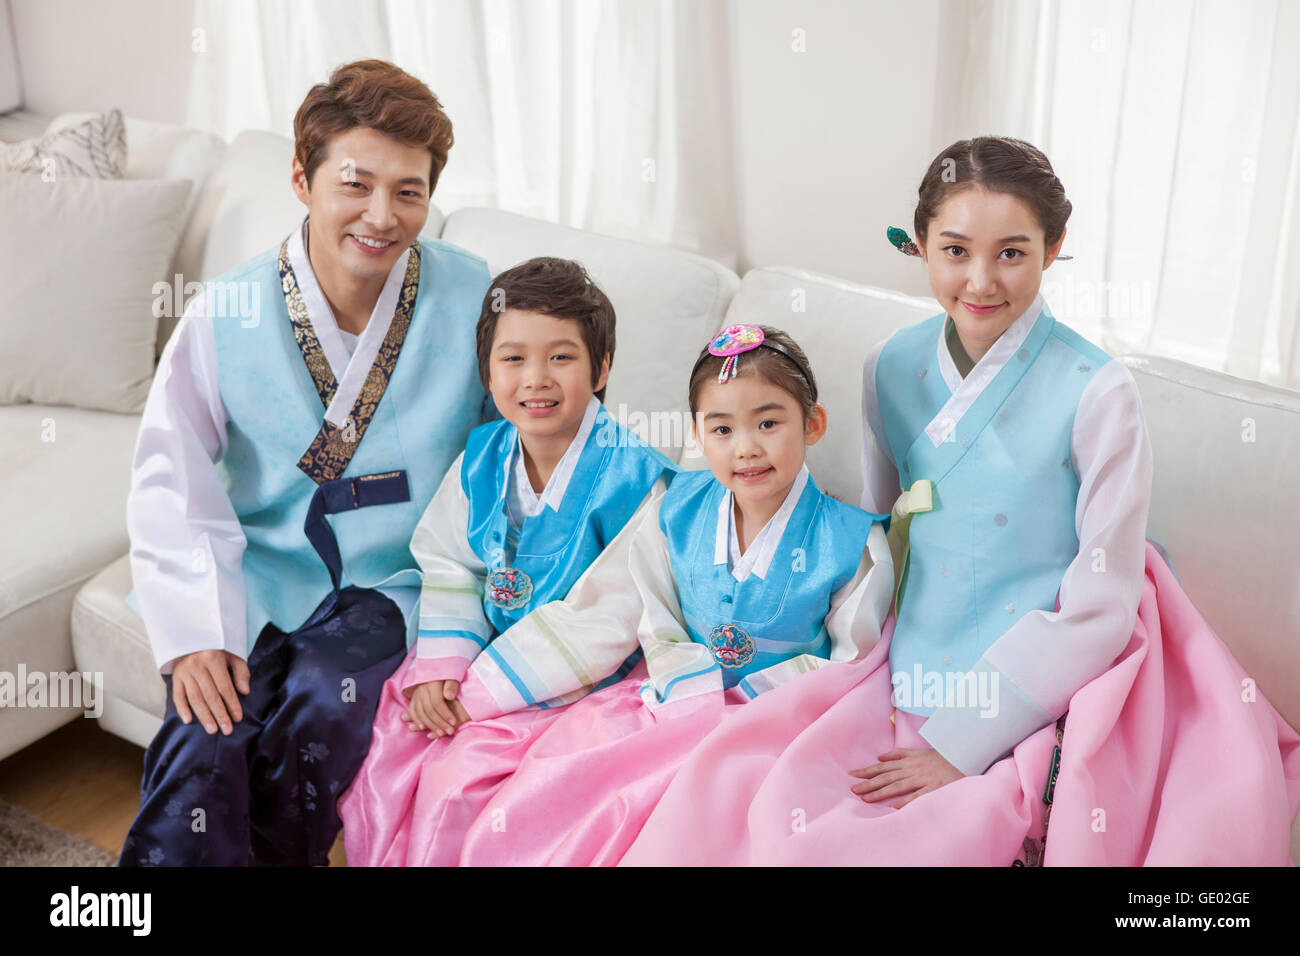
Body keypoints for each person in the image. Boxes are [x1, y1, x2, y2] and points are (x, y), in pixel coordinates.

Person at [620, 136, 1300, 866]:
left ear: (1054, 245)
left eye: (1012, 252)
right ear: (919, 247)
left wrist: (963, 740)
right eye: (954, 250)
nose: (981, 281)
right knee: (749, 804)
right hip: (905, 658)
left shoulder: (1099, 392)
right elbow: (888, 538)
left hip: (1047, 669)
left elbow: (1101, 604)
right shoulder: (891, 366)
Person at [118, 59, 492, 866]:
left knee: (324, 701)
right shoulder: (227, 310)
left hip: (400, 583)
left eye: (409, 191)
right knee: (204, 730)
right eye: (356, 184)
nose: (381, 216)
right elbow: (169, 476)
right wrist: (193, 631)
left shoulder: (475, 299)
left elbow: (519, 450)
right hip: (264, 575)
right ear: (302, 177)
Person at [443, 324, 894, 865]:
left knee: (702, 823)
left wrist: (745, 711)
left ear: (813, 423)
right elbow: (649, 613)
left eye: (769, 423)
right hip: (670, 698)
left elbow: (851, 662)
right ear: (699, 437)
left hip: (775, 724)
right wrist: (691, 688)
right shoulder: (674, 507)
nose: (747, 449)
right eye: (722, 429)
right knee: (554, 794)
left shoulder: (854, 541)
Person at [338, 257, 678, 866]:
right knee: (391, 740)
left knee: (464, 780)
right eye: (514, 358)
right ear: (487, 372)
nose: (536, 379)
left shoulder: (636, 478)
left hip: (584, 678)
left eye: (562, 357)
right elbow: (449, 563)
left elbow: (609, 618)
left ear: (601, 368)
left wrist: (479, 694)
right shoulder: (482, 456)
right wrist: (444, 667)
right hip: (484, 655)